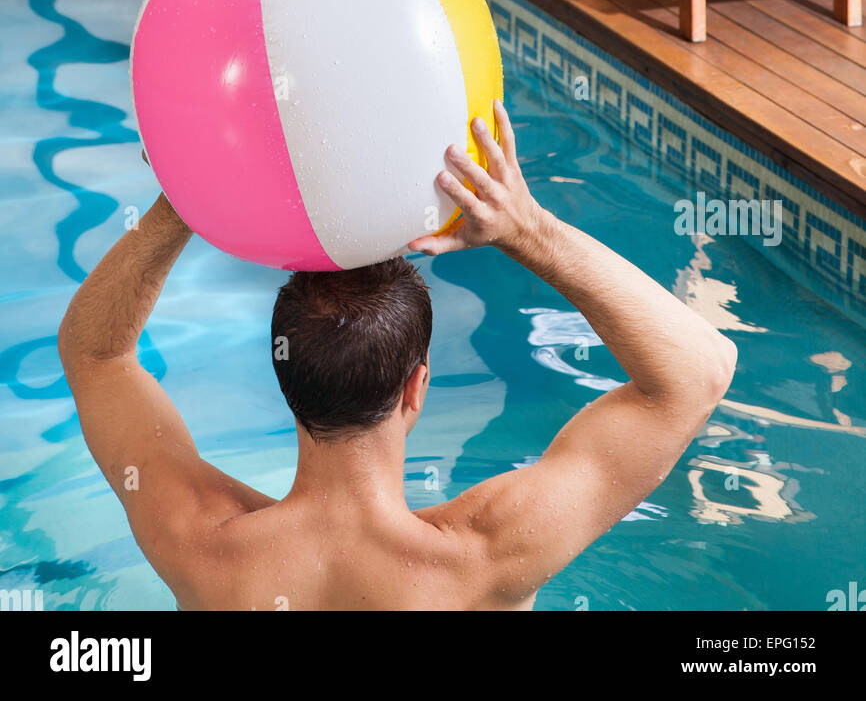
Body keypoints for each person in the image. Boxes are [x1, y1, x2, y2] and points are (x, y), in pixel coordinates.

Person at [59, 100, 736, 611]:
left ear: (285, 378)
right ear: (416, 389)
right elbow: (695, 374)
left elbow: (96, 355)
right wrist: (527, 230)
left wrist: (178, 205)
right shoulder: (487, 559)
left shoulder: (200, 545)